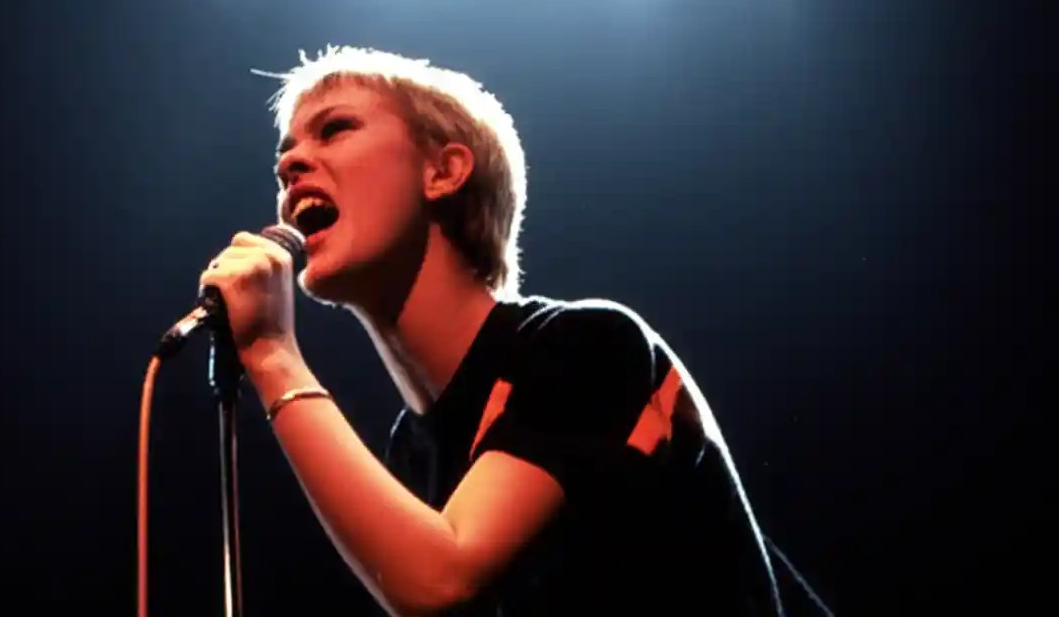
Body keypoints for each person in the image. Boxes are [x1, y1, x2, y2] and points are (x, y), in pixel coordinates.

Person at [197, 45, 784, 615]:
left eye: (335, 129)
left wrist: (272, 352)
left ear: (444, 171)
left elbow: (442, 579)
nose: (288, 164)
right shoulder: (413, 454)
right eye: (285, 152)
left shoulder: (587, 345)